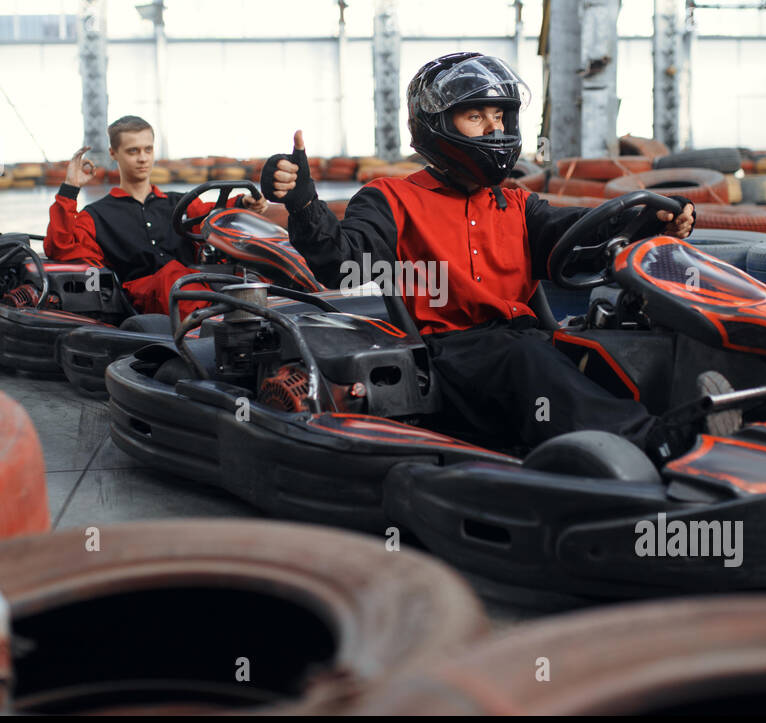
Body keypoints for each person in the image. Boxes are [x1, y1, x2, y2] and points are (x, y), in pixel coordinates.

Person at [264, 52, 734, 465]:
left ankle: (702, 412)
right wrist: (305, 204)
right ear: (438, 126)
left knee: (608, 337)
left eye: (500, 116)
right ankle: (655, 444)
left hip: (525, 343)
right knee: (525, 355)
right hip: (453, 357)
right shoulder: (391, 198)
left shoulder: (518, 203)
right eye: (476, 116)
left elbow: (575, 230)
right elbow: (343, 264)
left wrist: (654, 221)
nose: (495, 128)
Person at [45, 114, 267, 317]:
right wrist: (70, 188)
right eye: (133, 151)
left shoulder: (180, 203)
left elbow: (214, 214)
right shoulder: (96, 216)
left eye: (148, 150)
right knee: (171, 276)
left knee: (253, 271)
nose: (143, 158)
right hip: (138, 296)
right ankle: (217, 320)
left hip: (195, 283)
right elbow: (60, 246)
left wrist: (244, 203)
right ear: (114, 153)